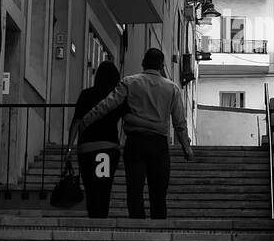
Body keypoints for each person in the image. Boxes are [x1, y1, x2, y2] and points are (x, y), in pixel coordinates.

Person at [74, 48, 193, 219]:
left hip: (136, 142)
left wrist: (86, 120)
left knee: (135, 190)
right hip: (159, 144)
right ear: (161, 66)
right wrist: (186, 148)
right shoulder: (172, 89)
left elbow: (107, 105)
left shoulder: (129, 82)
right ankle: (158, 231)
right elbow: (179, 123)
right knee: (158, 192)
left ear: (143, 63)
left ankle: (137, 227)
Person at [70, 60, 126, 219]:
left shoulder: (86, 94)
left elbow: (76, 121)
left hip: (86, 149)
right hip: (107, 149)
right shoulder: (116, 97)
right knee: (104, 185)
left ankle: (92, 215)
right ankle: (101, 217)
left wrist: (69, 148)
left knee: (90, 186)